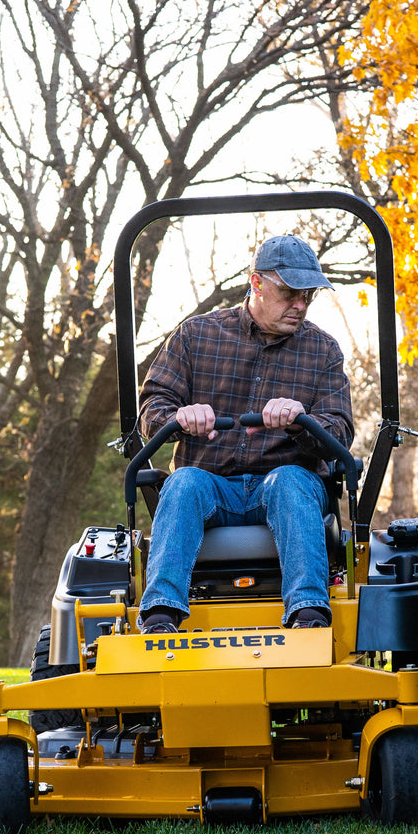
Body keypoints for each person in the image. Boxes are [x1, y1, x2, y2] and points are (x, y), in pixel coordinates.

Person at [135, 233, 354, 634]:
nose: (300, 305)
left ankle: (308, 613)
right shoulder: (196, 336)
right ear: (257, 283)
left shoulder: (323, 351)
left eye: (308, 296)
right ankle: (160, 615)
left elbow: (339, 429)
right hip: (210, 484)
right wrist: (180, 416)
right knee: (182, 483)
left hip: (287, 485)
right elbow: (152, 408)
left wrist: (301, 419)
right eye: (290, 293)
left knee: (290, 480)